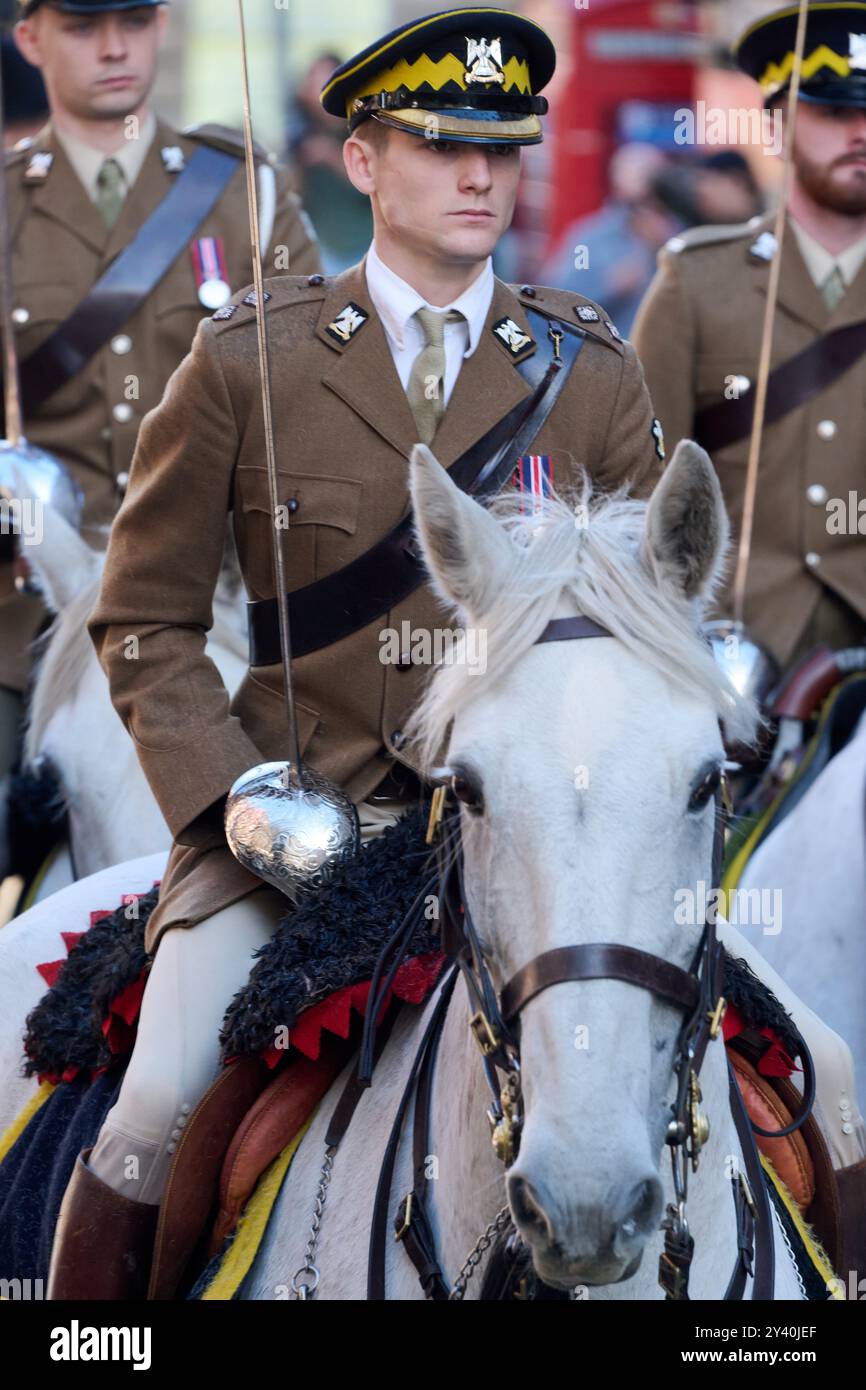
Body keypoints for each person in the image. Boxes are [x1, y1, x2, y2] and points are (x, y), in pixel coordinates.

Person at [41, 5, 665, 1300]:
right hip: (290, 837)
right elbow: (142, 617)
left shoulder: (592, 377)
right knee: (150, 1104)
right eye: (441, 147)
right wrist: (232, 797)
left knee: (806, 1068)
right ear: (364, 162)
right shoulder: (246, 361)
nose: (482, 176)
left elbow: (647, 631)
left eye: (502, 147)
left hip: (529, 837)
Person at [0, 0, 320, 785]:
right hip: (31, 622)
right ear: (30, 37)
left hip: (215, 603)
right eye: (82, 27)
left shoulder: (242, 191)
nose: (114, 47)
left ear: (163, 24)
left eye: (134, 21)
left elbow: (312, 385)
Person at [633, 2, 866, 672]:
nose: (859, 132)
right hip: (733, 654)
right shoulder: (699, 283)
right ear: (777, 125)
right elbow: (644, 489)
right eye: (832, 112)